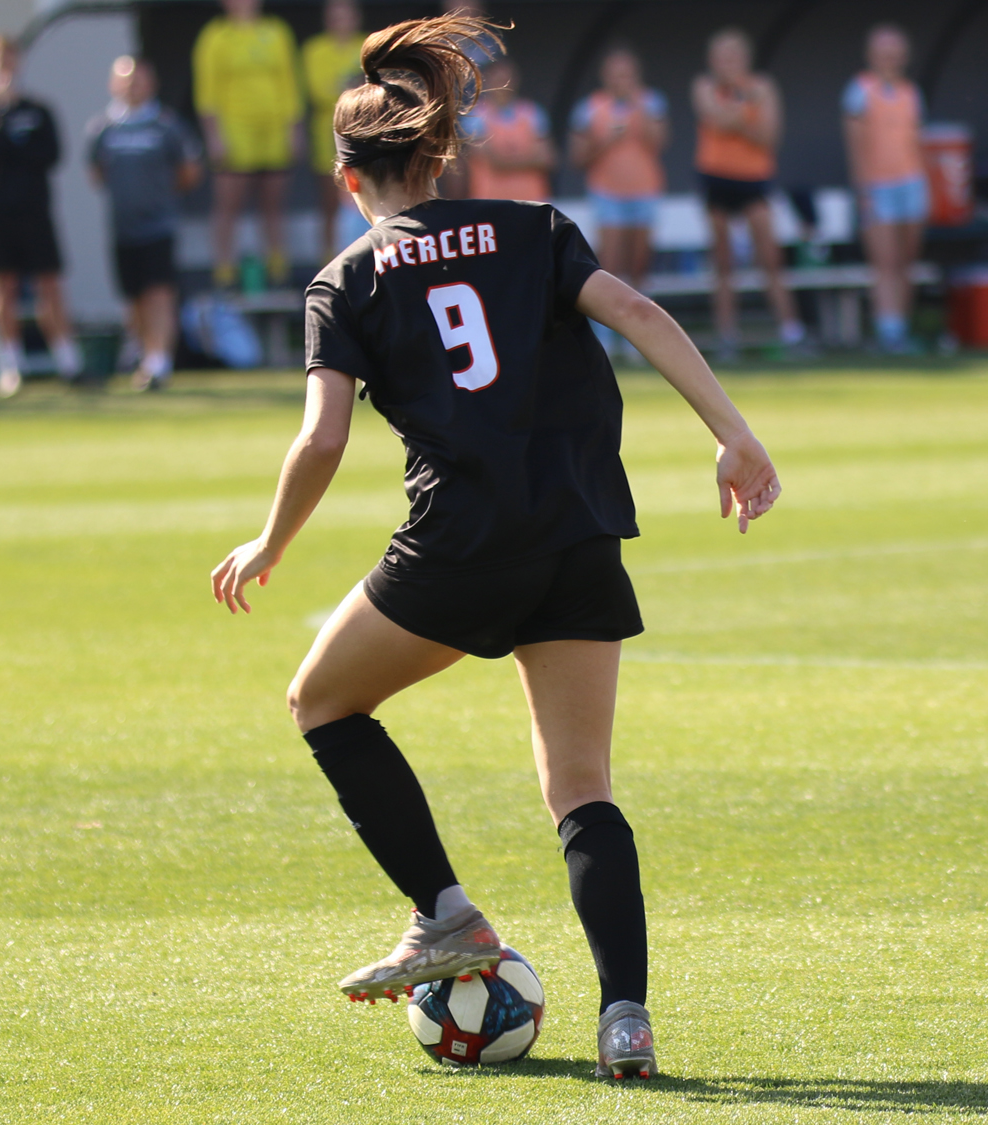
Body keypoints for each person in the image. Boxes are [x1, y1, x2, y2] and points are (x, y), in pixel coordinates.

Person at [208, 14, 780, 1080]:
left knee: (320, 703)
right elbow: (640, 313)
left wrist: (269, 540)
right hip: (575, 535)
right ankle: (625, 1018)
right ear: (438, 157)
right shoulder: (532, 227)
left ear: (345, 178)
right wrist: (732, 435)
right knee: (581, 789)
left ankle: (446, 916)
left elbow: (322, 436)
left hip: (460, 546)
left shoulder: (344, 280)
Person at [0, 33, 77, 397]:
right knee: (2, 288)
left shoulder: (39, 110)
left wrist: (13, 144)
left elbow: (49, 154)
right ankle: (11, 365)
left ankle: (68, 362)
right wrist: (11, 137)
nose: (5, 68)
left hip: (35, 210)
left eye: (10, 59)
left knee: (50, 285)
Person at [88, 56, 203, 392]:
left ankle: (158, 363)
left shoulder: (166, 125)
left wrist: (158, 196)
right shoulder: (104, 127)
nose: (131, 86)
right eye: (125, 80)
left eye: (138, 79)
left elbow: (189, 171)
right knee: (134, 297)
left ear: (150, 83)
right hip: (122, 227)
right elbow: (96, 172)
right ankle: (142, 356)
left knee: (159, 294)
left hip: (158, 226)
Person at [693, 28, 805, 361]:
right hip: (716, 178)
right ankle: (727, 336)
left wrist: (734, 116)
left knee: (770, 259)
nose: (728, 62)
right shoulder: (703, 85)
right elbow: (715, 117)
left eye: (734, 55)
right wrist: (745, 112)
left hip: (754, 180)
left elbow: (768, 136)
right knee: (724, 262)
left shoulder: (763, 86)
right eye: (722, 56)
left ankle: (792, 333)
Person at [193, 0, 303, 288]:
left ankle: (278, 266)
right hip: (235, 130)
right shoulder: (214, 35)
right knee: (229, 202)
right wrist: (214, 136)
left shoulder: (277, 31)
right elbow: (207, 92)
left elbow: (289, 83)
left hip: (272, 129)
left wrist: (293, 129)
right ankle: (224, 270)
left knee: (274, 203)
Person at [571, 44, 668, 363]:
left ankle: (640, 337)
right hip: (607, 194)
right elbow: (578, 157)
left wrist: (638, 113)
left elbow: (660, 142)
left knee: (640, 265)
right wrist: (607, 140)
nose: (622, 80)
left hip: (644, 192)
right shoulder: (590, 108)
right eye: (616, 74)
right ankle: (605, 338)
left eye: (627, 74)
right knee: (609, 265)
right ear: (605, 76)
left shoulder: (651, 102)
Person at [842, 24, 929, 354]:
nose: (890, 55)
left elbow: (917, 142)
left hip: (911, 183)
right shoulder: (859, 90)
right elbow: (856, 144)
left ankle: (902, 328)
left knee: (907, 261)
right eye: (883, 48)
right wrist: (863, 189)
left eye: (895, 48)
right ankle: (887, 331)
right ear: (870, 54)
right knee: (885, 262)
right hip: (877, 186)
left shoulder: (911, 92)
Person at [304, 0, 368, 257]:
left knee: (368, 198)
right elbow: (319, 92)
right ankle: (330, 261)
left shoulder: (368, 43)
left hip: (368, 131)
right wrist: (353, 87)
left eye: (346, 16)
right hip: (329, 134)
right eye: (335, 17)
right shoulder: (314, 50)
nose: (340, 22)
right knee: (331, 203)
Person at [464, 57, 554, 201]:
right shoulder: (475, 117)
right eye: (499, 80)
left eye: (507, 79)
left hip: (532, 202)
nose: (504, 85)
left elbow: (547, 158)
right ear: (487, 81)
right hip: (491, 203)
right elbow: (494, 162)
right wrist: (528, 158)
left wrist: (507, 158)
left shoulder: (533, 112)